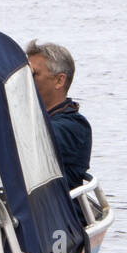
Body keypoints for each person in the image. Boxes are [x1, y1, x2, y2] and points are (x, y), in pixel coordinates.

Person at [25, 40, 92, 188]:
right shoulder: (32, 118)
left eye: (33, 74)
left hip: (57, 209)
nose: (25, 81)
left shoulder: (74, 126)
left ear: (59, 80)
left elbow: (33, 141)